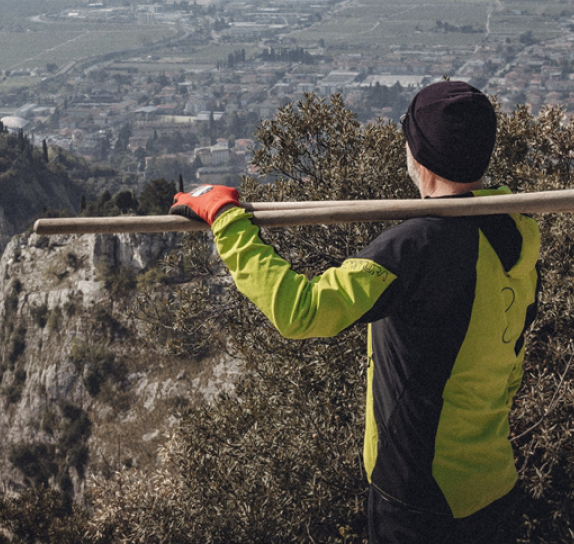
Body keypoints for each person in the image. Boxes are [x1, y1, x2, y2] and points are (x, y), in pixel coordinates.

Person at [170, 80, 540, 544]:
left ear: (416, 154)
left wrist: (226, 222)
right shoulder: (519, 230)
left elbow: (301, 311)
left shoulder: (418, 245)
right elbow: (512, 360)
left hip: (419, 500)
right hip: (493, 484)